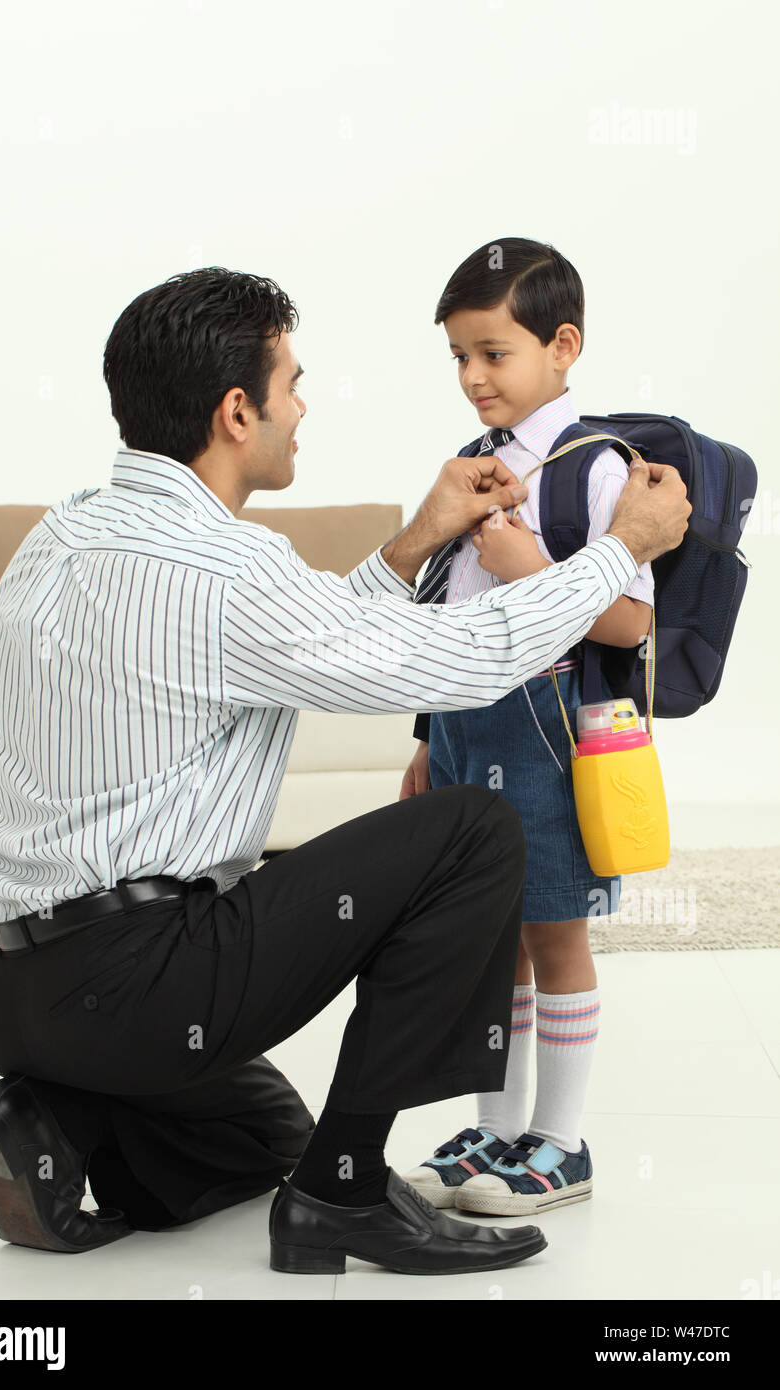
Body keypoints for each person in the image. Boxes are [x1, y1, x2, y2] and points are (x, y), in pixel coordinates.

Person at [0, 266, 690, 1277]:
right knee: (471, 828)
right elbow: (460, 660)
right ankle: (340, 1196)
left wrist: (416, 539)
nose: (304, 406)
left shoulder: (63, 531)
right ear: (235, 409)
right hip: (146, 979)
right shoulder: (226, 569)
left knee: (265, 1140)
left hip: (19, 995)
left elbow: (287, 641)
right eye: (292, 383)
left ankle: (52, 1113)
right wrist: (616, 551)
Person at [400, 237, 655, 1217]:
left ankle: (560, 1143)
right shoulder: (468, 464)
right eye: (458, 356)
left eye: (492, 353)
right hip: (467, 721)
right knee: (488, 935)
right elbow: (443, 606)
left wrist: (525, 565)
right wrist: (427, 738)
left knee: (550, 927)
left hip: (548, 728)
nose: (471, 376)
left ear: (562, 345)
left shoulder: (594, 468)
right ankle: (496, 1131)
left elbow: (628, 622)